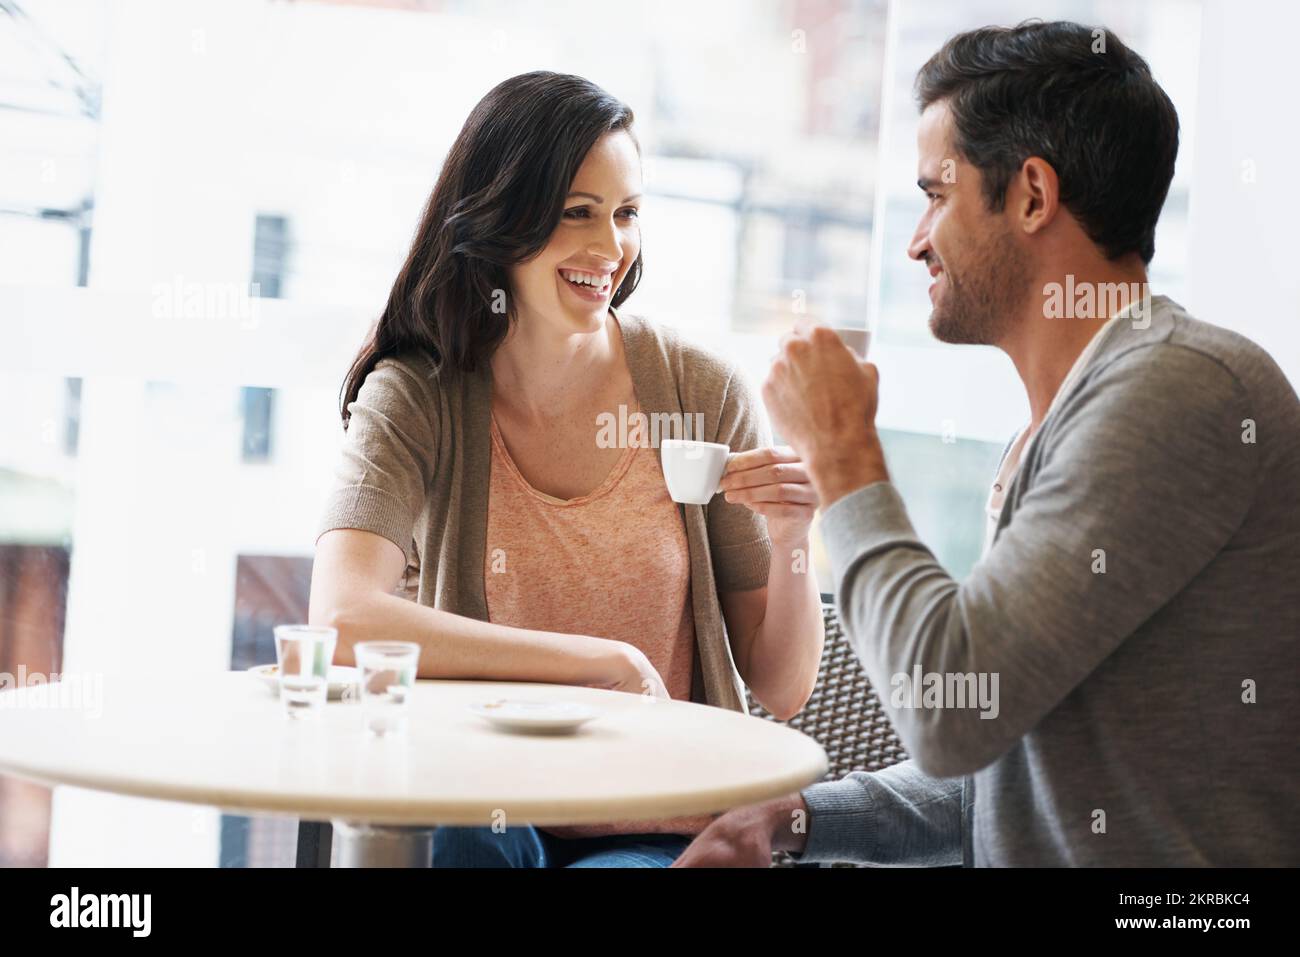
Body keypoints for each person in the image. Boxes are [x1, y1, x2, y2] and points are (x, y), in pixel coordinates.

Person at [674, 21, 1300, 867]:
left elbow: (949, 711)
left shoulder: (1182, 388)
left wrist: (843, 452)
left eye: (938, 193)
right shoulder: (1073, 417)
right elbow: (1001, 766)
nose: (917, 239)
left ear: (1033, 195)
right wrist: (794, 818)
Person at [307, 71, 825, 868]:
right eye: (576, 212)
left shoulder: (696, 389)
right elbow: (342, 619)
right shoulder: (418, 395)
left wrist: (794, 534)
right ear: (501, 218)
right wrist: (597, 661)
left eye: (626, 215)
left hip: (652, 821)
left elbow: (781, 686)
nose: (610, 247)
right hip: (483, 797)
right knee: (458, 840)